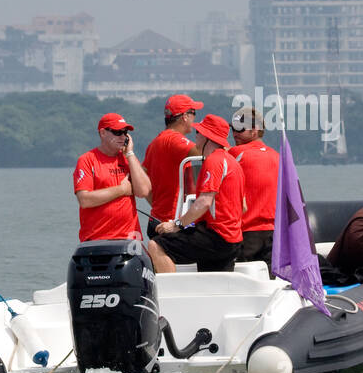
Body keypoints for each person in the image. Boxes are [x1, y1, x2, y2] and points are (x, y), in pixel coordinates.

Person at [147, 114, 244, 272]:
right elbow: (243, 207)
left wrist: (176, 225)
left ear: (206, 137)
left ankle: (170, 295)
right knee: (211, 285)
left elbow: (204, 202)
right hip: (232, 238)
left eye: (198, 133)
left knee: (156, 244)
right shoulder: (232, 162)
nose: (195, 137)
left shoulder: (213, 161)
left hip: (216, 236)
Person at [73, 113, 152, 243]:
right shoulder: (87, 160)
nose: (122, 136)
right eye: (117, 132)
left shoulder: (128, 158)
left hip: (130, 238)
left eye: (125, 132)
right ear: (103, 133)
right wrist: (122, 190)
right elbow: (85, 200)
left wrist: (130, 154)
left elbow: (143, 191)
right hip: (97, 239)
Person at [141, 94, 203, 234]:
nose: (195, 118)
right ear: (184, 117)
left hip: (157, 218)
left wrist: (156, 205)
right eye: (193, 113)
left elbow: (143, 179)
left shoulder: (155, 143)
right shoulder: (174, 140)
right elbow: (205, 152)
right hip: (172, 221)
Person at [228, 105, 279, 265]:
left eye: (240, 129)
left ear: (255, 130)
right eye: (233, 129)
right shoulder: (278, 157)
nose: (235, 133)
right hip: (275, 234)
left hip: (247, 233)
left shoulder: (235, 154)